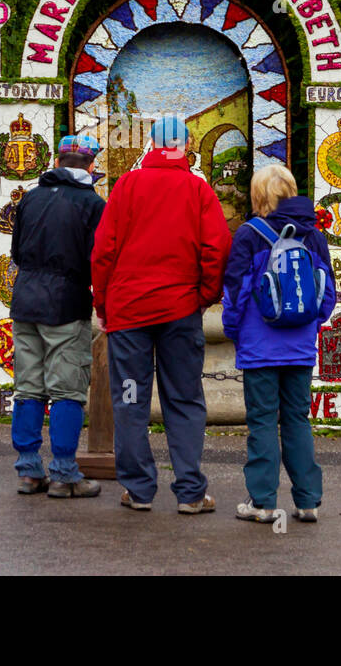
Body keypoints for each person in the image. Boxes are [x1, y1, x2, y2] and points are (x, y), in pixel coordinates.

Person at [91, 114, 231, 514]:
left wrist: (103, 304)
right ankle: (190, 492)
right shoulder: (198, 190)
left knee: (131, 399)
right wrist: (203, 297)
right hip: (180, 309)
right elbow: (216, 248)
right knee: (184, 398)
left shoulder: (126, 187)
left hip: (130, 311)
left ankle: (138, 490)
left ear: (151, 144)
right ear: (185, 146)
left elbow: (103, 251)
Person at [221, 164, 335, 524]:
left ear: (257, 195)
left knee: (263, 423)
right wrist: (310, 326)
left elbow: (236, 293)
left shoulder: (248, 234)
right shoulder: (314, 236)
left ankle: (264, 502)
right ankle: (308, 501)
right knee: (298, 420)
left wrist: (234, 330)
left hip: (260, 348)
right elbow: (327, 295)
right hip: (300, 348)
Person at [8, 134, 106, 498]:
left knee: (28, 388)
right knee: (67, 390)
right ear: (91, 166)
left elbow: (17, 251)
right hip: (65, 303)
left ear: (58, 162)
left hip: (25, 301)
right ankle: (64, 472)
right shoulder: (91, 204)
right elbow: (97, 260)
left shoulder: (31, 198)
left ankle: (29, 470)